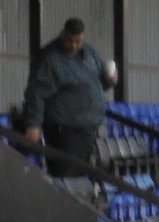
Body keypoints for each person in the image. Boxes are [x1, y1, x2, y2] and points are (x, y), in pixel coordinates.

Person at [22, 17, 116, 177]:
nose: (73, 45)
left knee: (81, 180)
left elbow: (97, 84)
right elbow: (36, 93)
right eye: (69, 40)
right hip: (65, 131)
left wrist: (109, 81)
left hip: (88, 131)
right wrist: (34, 124)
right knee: (67, 178)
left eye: (78, 41)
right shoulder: (51, 59)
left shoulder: (89, 53)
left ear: (83, 38)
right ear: (62, 35)